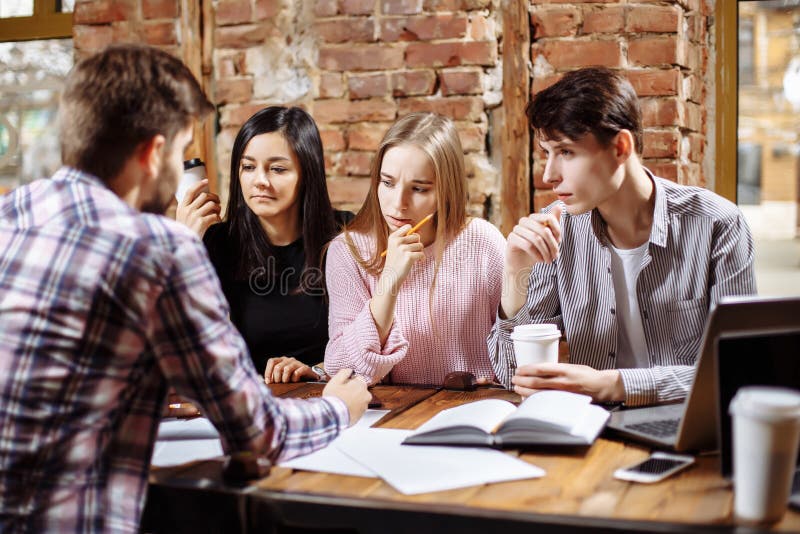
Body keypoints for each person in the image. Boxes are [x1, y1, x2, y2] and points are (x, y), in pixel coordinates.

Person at [0, 44, 369, 533]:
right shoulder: (163, 247)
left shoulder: (11, 213)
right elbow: (259, 434)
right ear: (154, 154)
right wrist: (339, 408)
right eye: (181, 153)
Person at [489, 67, 756, 407]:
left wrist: (613, 385)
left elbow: (740, 369)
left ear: (620, 147)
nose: (548, 175)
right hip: (591, 426)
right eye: (547, 153)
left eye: (566, 152)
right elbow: (512, 374)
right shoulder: (556, 229)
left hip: (687, 425)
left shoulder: (717, 224)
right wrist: (515, 271)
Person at [324, 112, 506, 386]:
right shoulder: (347, 251)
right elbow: (342, 371)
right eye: (387, 183)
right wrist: (389, 282)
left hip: (475, 406)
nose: (398, 203)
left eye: (419, 189)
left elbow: (520, 355)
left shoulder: (484, 242)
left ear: (447, 191)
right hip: (393, 410)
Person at [177, 106, 352, 383]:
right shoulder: (218, 243)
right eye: (248, 167)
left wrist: (317, 371)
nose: (260, 181)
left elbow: (370, 338)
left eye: (278, 169)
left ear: (307, 173)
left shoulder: (345, 236)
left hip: (331, 393)